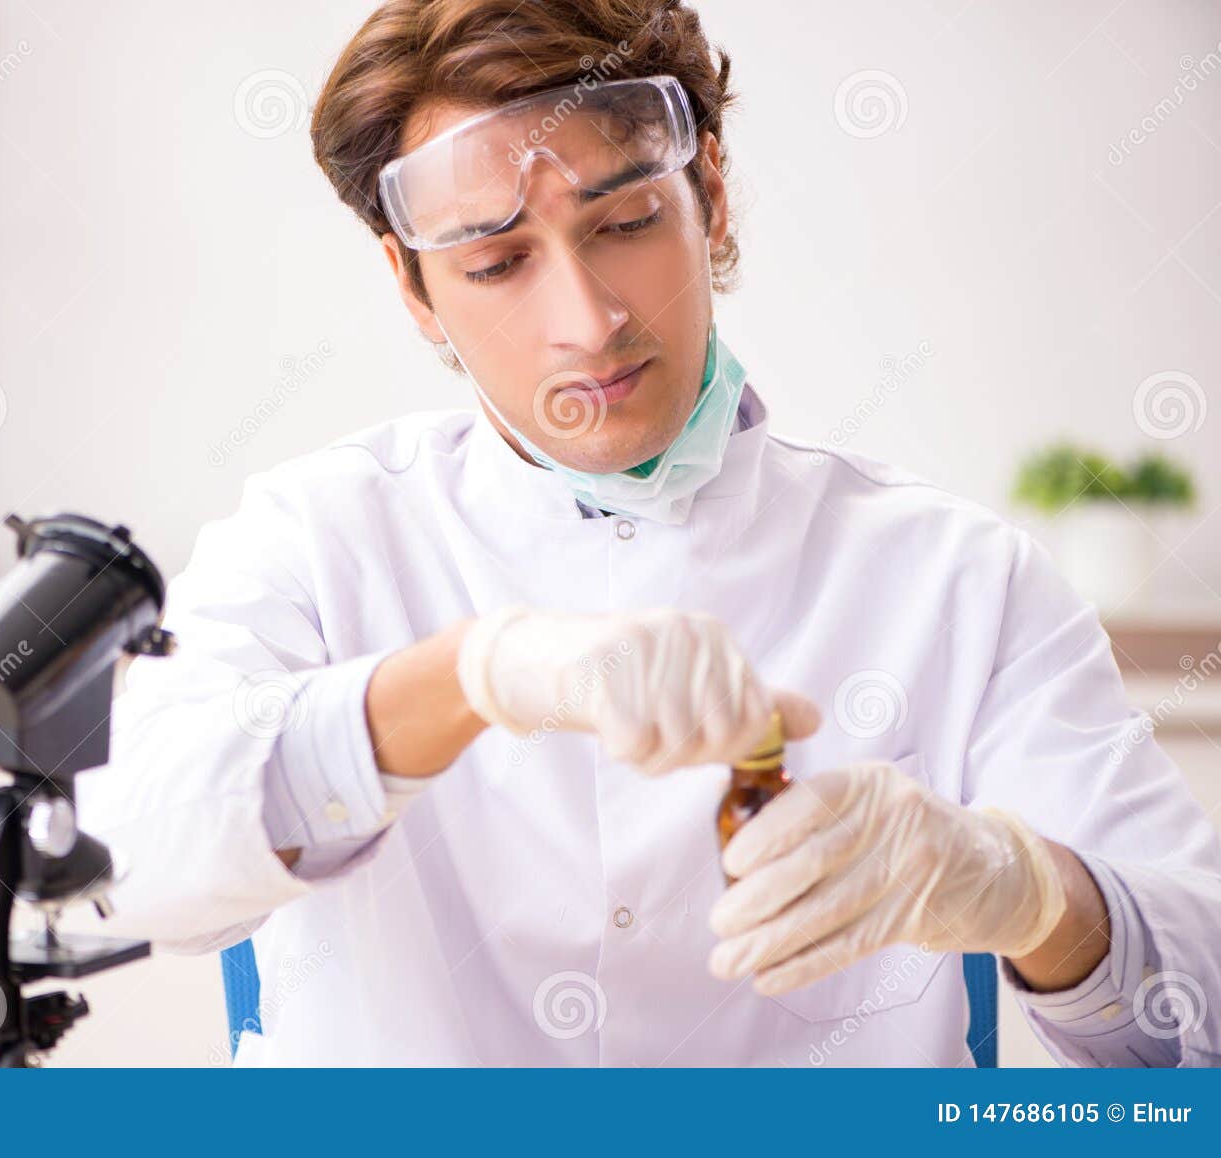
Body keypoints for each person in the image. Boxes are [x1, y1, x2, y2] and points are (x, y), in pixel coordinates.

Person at [80, 0, 1221, 1065]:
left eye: (625, 222)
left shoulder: (957, 578)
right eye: (495, 262)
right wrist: (468, 678)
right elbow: (129, 861)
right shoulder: (314, 540)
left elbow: (1199, 1019)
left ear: (707, 195)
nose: (588, 323)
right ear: (414, 287)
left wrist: (1029, 895)